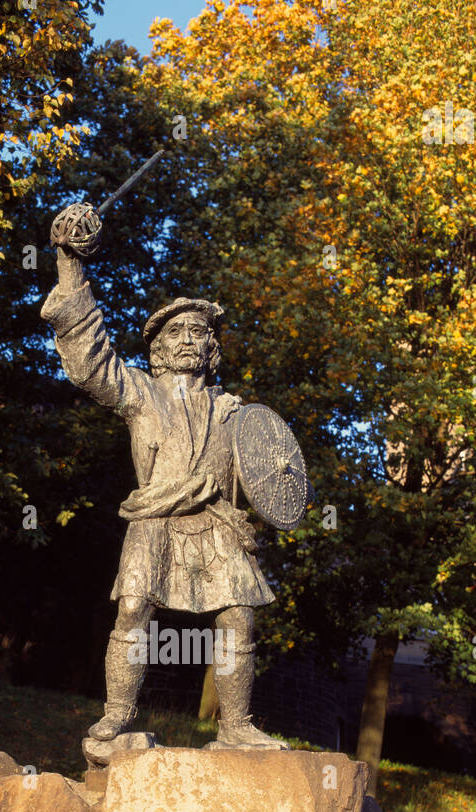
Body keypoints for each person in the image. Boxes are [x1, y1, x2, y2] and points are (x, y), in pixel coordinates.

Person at [41, 217, 288, 749]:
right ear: (157, 346)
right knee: (133, 609)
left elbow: (265, 479)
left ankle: (237, 726)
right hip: (155, 518)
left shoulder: (234, 412)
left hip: (215, 523)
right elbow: (87, 361)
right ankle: (116, 715)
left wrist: (261, 501)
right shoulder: (139, 392)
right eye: (175, 332)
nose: (188, 340)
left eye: (198, 332)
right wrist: (69, 262)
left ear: (211, 346)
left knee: (239, 616)